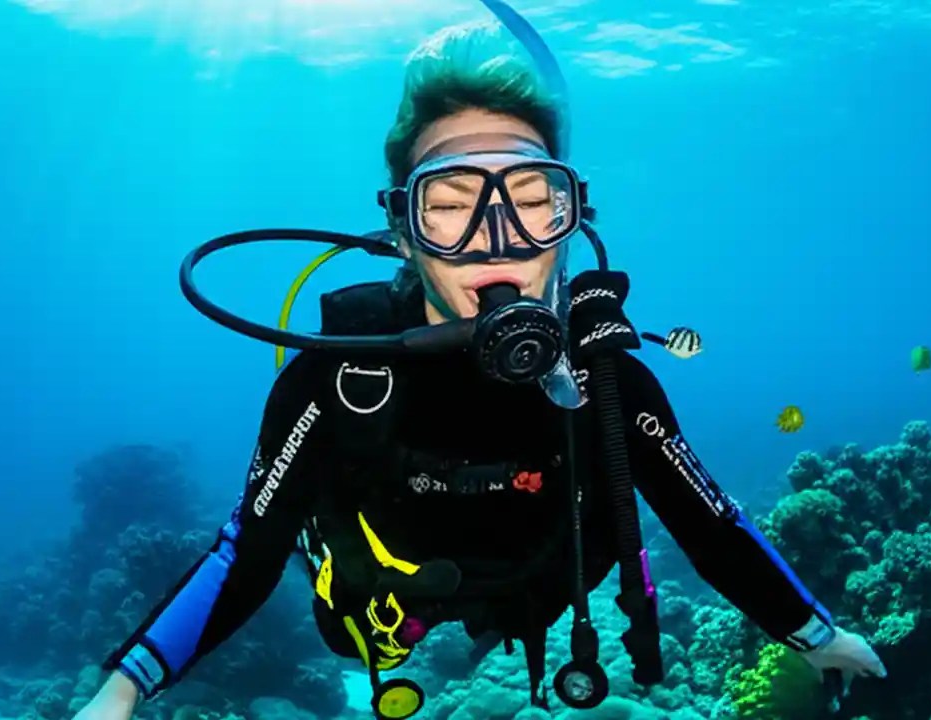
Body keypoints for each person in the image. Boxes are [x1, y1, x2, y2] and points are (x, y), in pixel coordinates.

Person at [72, 18, 886, 720]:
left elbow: (707, 518)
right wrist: (124, 688)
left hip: (540, 599)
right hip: (384, 606)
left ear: (571, 220)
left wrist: (819, 636)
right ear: (401, 229)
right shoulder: (338, 380)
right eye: (452, 203)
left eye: (532, 198)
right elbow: (245, 550)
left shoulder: (606, 379)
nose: (497, 239)